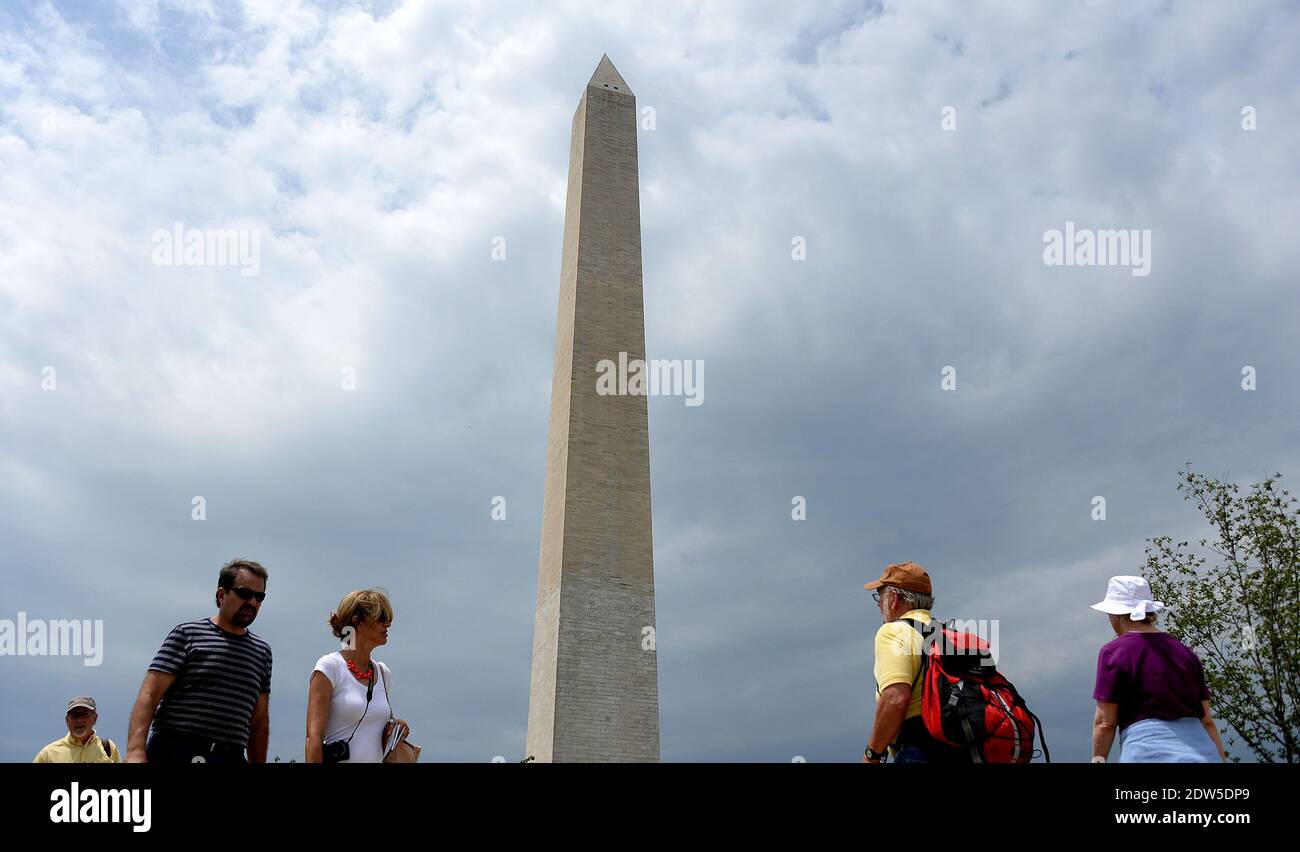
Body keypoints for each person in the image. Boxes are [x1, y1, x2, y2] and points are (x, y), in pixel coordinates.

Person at [124, 559, 273, 764]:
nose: (253, 602)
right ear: (222, 595)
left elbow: (259, 721)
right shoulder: (187, 635)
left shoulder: (262, 652)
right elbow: (150, 695)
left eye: (259, 597)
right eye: (244, 593)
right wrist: (135, 752)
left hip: (230, 755)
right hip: (175, 751)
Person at [1090, 575, 1226, 763]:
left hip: (1147, 753)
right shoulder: (1185, 653)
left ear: (1117, 615)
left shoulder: (1113, 652)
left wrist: (1098, 758)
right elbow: (1207, 720)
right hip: (1202, 754)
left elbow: (1105, 723)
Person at [862, 561, 965, 764]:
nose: (878, 604)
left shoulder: (894, 631)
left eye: (879, 597)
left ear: (893, 598)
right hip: (966, 751)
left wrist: (872, 755)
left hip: (920, 750)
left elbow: (895, 698)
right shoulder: (949, 635)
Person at [304, 588, 410, 763]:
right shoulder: (330, 667)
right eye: (381, 617)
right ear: (359, 624)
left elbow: (374, 728)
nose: (388, 623)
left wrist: (397, 727)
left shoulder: (383, 673)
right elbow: (313, 737)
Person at [34, 696, 120, 763]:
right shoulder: (48, 754)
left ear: (95, 719)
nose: (79, 720)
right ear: (67, 721)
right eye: (74, 716)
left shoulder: (108, 748)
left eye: (84, 715)